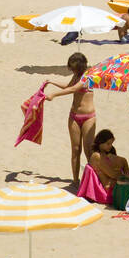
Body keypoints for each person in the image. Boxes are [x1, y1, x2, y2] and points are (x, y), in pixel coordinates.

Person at [43, 53, 96, 186]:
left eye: (73, 68)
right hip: (74, 116)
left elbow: (73, 89)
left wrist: (54, 95)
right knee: (75, 149)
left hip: (88, 117)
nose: (72, 70)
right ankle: (75, 180)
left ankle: (92, 181)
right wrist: (52, 82)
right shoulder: (76, 76)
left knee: (88, 150)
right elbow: (68, 86)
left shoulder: (88, 76)